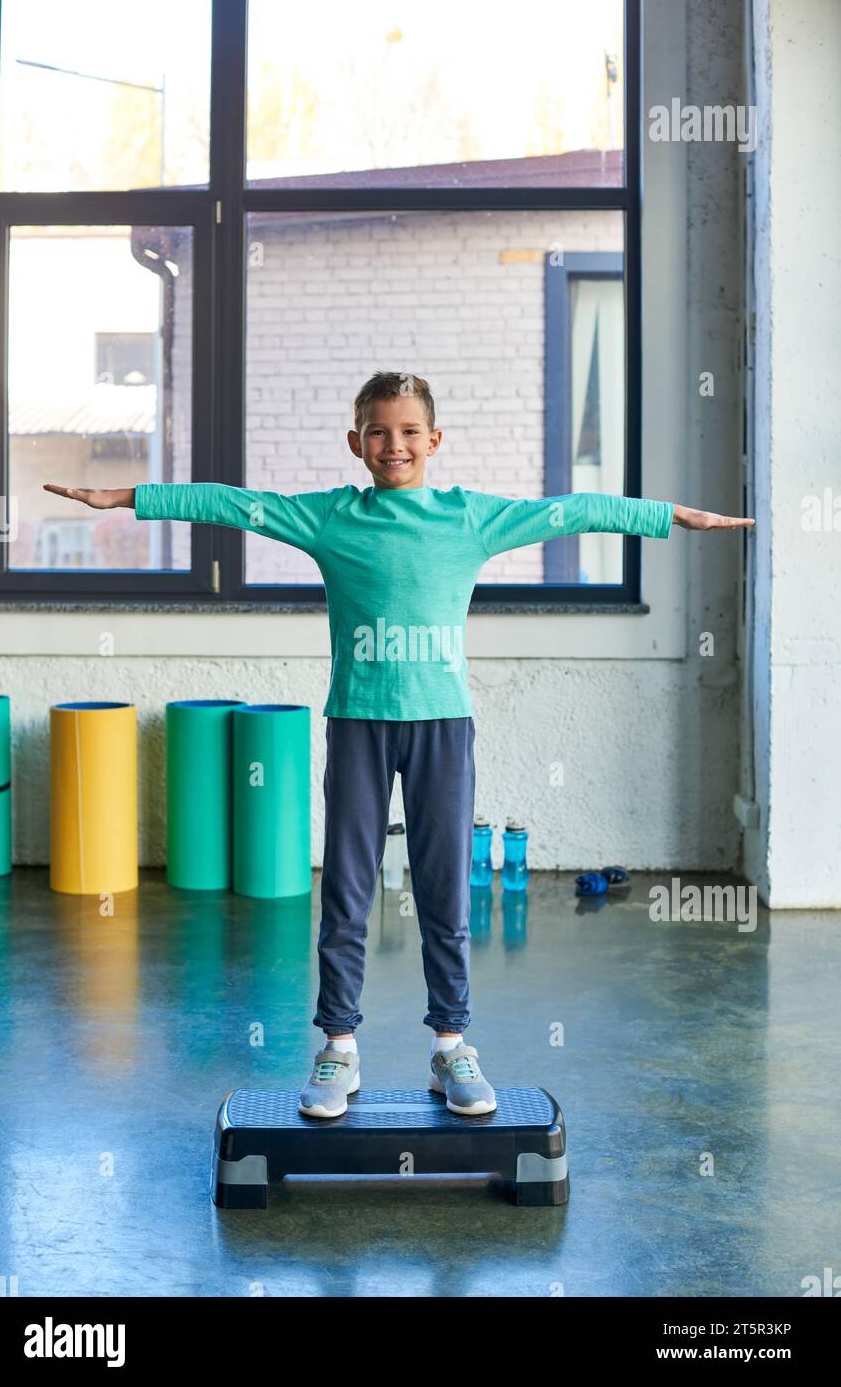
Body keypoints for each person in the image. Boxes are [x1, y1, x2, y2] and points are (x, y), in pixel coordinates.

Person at [44, 370, 754, 1118]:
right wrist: (124, 498)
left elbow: (570, 511)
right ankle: (337, 1049)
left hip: (442, 725)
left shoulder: (470, 518)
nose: (395, 444)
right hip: (357, 722)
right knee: (347, 890)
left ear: (434, 441)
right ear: (356, 443)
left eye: (410, 431)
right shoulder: (330, 519)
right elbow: (233, 504)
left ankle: (451, 1046)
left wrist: (671, 515)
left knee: (444, 887)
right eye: (379, 431)